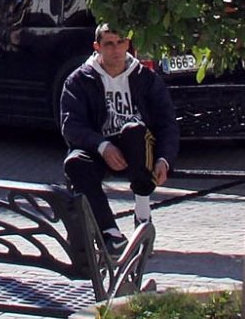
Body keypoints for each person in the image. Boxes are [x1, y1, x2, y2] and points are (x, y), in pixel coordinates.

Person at [59, 25, 179, 240]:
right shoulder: (78, 81)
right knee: (75, 162)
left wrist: (164, 159)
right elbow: (71, 126)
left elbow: (167, 122)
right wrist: (103, 146)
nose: (116, 50)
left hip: (138, 146)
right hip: (100, 147)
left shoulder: (146, 78)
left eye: (121, 42)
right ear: (97, 47)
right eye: (109, 44)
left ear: (128, 43)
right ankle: (109, 232)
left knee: (134, 130)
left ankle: (143, 215)